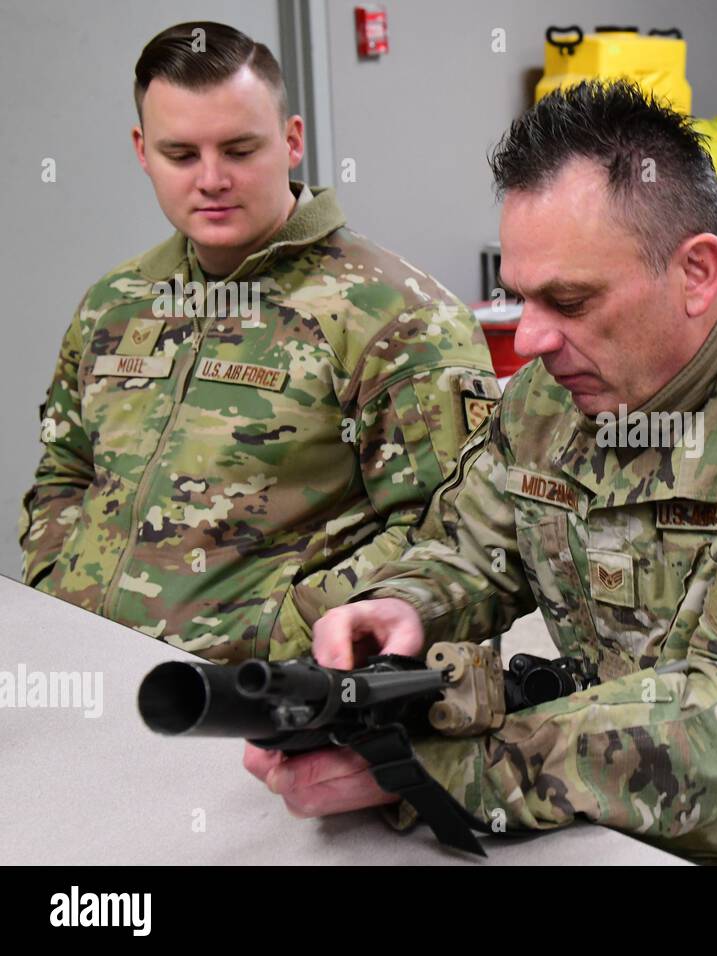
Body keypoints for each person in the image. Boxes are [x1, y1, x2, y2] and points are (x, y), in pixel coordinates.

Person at [245, 80, 717, 865]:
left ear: (696, 273)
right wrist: (405, 608)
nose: (534, 338)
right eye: (519, 298)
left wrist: (429, 774)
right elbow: (473, 550)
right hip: (586, 813)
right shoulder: (553, 396)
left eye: (570, 300)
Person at [18, 22, 497, 663]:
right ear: (141, 150)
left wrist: (281, 635)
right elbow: (65, 469)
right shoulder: (116, 301)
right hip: (94, 674)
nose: (211, 178)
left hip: (267, 705)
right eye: (180, 155)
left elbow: (455, 530)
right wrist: (58, 596)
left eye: (239, 150)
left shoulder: (392, 311)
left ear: (292, 140)